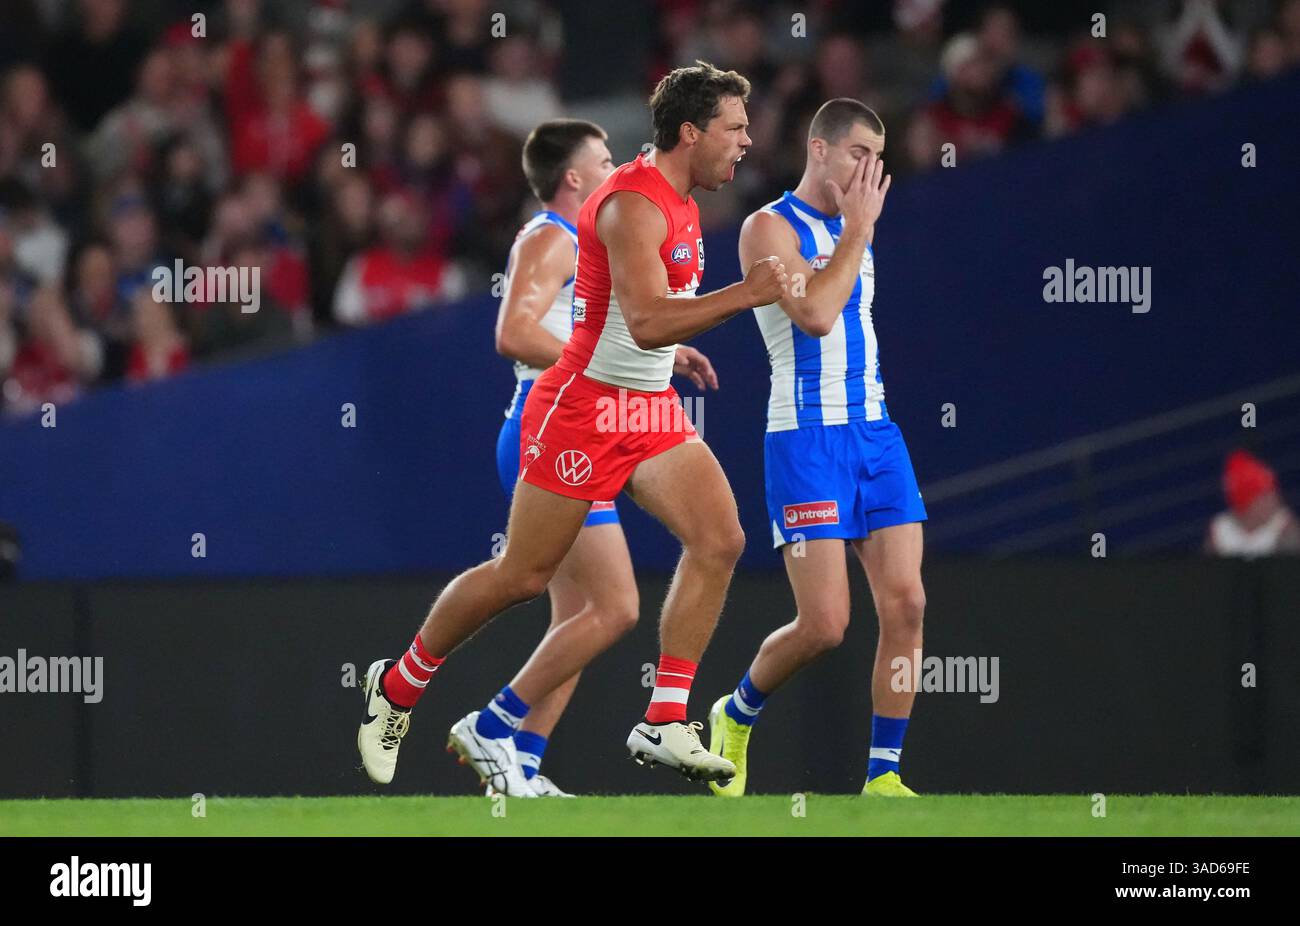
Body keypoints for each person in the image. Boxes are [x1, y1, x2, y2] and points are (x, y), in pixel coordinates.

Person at [357, 61, 789, 793]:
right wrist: (747, 294)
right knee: (521, 577)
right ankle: (399, 684)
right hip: (585, 409)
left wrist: (677, 341)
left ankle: (664, 718)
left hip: (647, 408)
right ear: (691, 133)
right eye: (735, 128)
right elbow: (646, 320)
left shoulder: (680, 196)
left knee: (720, 538)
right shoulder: (631, 204)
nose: (747, 142)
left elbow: (640, 318)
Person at [713, 98, 926, 798]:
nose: (870, 172)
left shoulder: (852, 228)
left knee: (907, 605)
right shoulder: (766, 228)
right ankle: (735, 712)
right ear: (821, 150)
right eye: (859, 155)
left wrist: (856, 231)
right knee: (826, 624)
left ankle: (884, 776)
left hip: (876, 431)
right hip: (805, 439)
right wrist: (858, 233)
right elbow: (812, 313)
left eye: (879, 160)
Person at [1205, 449, 1300, 558]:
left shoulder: (1284, 529)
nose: (1275, 501)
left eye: (1273, 493)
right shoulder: (1220, 531)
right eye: (1264, 497)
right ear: (1246, 506)